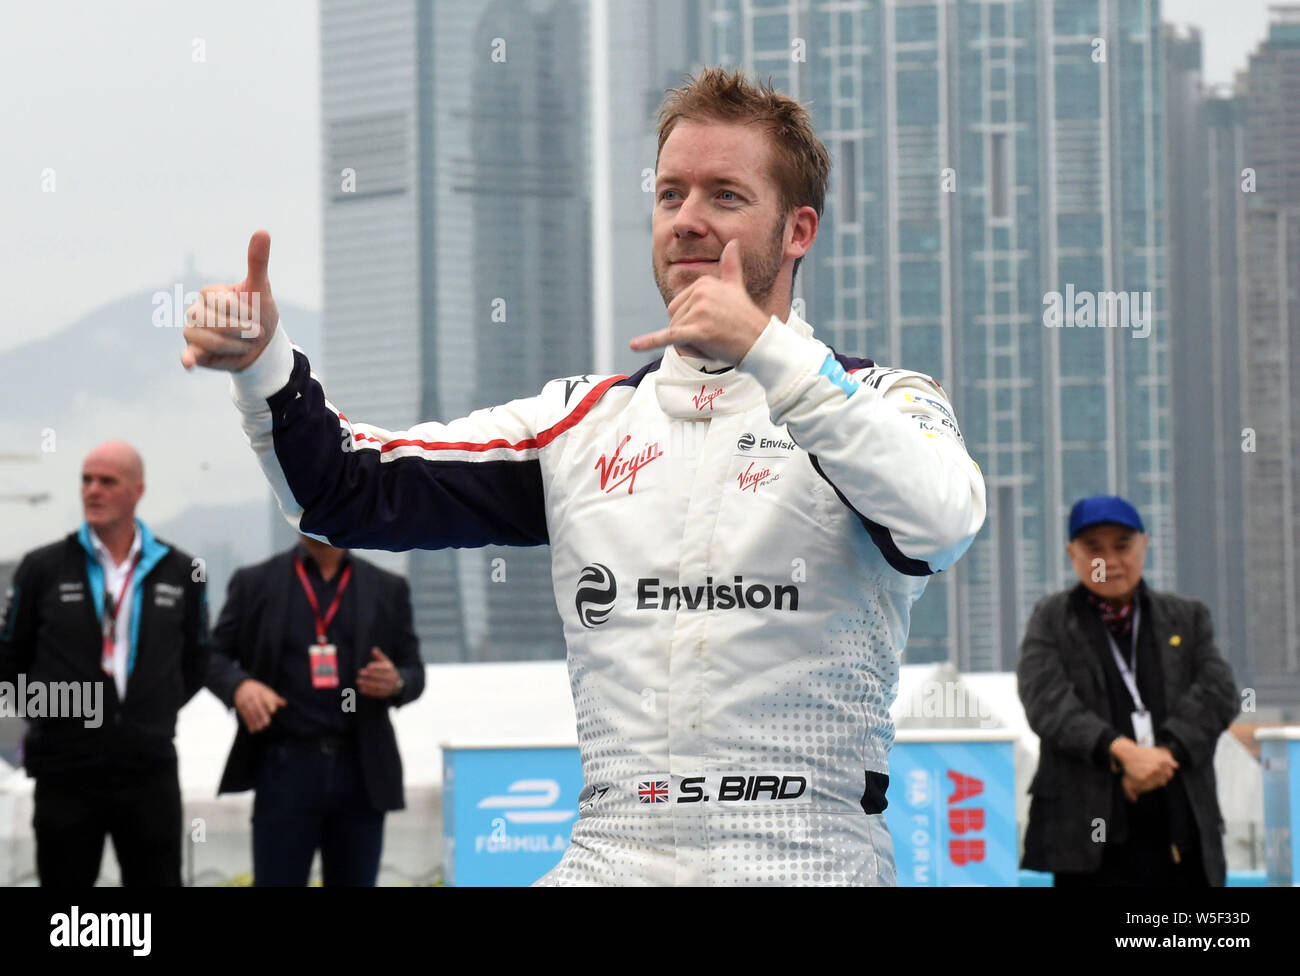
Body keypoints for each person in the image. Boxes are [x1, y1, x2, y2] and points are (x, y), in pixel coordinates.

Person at [181, 68, 987, 886]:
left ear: (798, 228)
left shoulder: (880, 399)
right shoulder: (581, 425)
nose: (688, 221)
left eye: (726, 197)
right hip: (611, 858)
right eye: (670, 194)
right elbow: (344, 494)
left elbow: (942, 520)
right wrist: (266, 370)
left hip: (810, 862)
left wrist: (769, 351)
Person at [0, 441, 210, 886]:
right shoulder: (41, 568)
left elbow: (195, 662)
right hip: (64, 770)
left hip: (148, 769)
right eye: (86, 479)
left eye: (107, 481)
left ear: (137, 490)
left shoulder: (182, 571)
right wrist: (57, 717)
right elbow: (10, 661)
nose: (92, 490)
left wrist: (151, 709)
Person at [1018, 495, 1239, 886]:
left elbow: (1219, 691)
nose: (1111, 561)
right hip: (1087, 841)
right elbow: (1045, 699)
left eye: (1122, 545)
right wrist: (1122, 752)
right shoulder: (1051, 619)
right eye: (1094, 548)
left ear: (1145, 545)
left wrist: (1162, 756)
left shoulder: (1187, 617)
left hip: (1181, 832)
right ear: (1073, 554)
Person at [206, 535, 424, 886]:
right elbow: (212, 656)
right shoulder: (255, 582)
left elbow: (415, 671)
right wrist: (240, 687)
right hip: (285, 766)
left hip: (361, 769)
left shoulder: (387, 588)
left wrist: (397, 682)